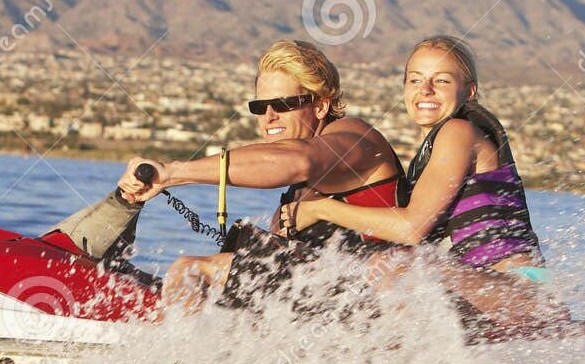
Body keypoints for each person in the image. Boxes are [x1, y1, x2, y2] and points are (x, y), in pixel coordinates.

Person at [116, 39, 401, 308]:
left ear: (321, 105)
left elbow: (299, 160)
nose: (269, 117)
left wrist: (173, 173)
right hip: (328, 305)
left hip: (375, 302)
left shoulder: (354, 136)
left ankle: (174, 356)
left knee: (191, 270)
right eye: (260, 107)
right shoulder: (296, 192)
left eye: (283, 104)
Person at [284, 35, 545, 275]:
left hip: (518, 287)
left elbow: (410, 228)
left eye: (441, 80)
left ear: (469, 91)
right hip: (493, 290)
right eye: (415, 80)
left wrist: (321, 210)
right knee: (389, 262)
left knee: (398, 263)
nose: (426, 89)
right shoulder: (437, 148)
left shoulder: (458, 132)